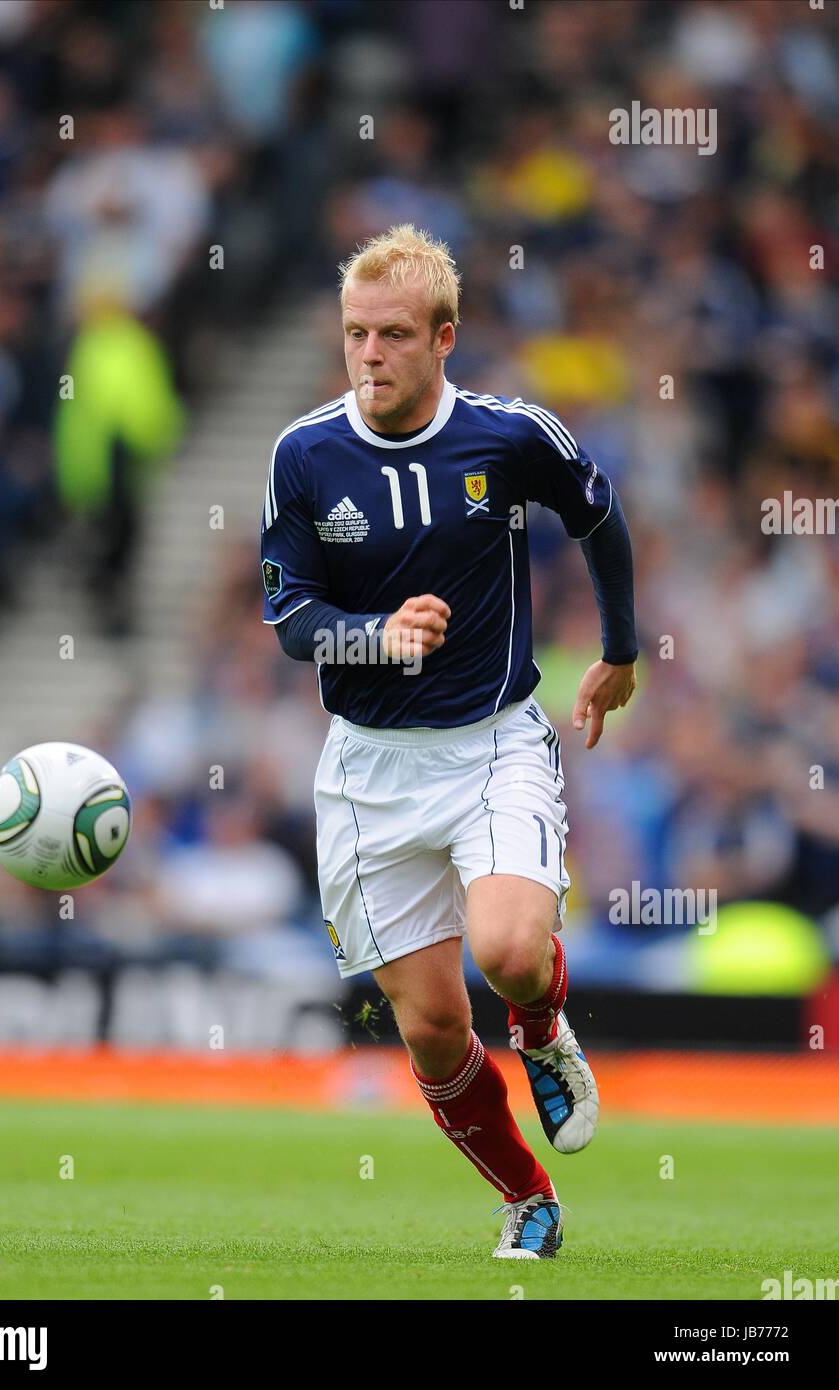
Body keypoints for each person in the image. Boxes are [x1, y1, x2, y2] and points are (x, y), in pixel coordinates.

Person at [260, 225, 638, 1259]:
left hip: (490, 744)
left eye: (391, 335)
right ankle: (528, 1196)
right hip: (368, 768)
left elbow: (598, 518)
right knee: (427, 1026)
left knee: (510, 953)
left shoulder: (509, 437)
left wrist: (618, 650)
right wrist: (370, 637)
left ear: (443, 339)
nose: (369, 354)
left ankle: (542, 1028)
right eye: (354, 334)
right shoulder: (305, 455)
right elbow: (289, 615)